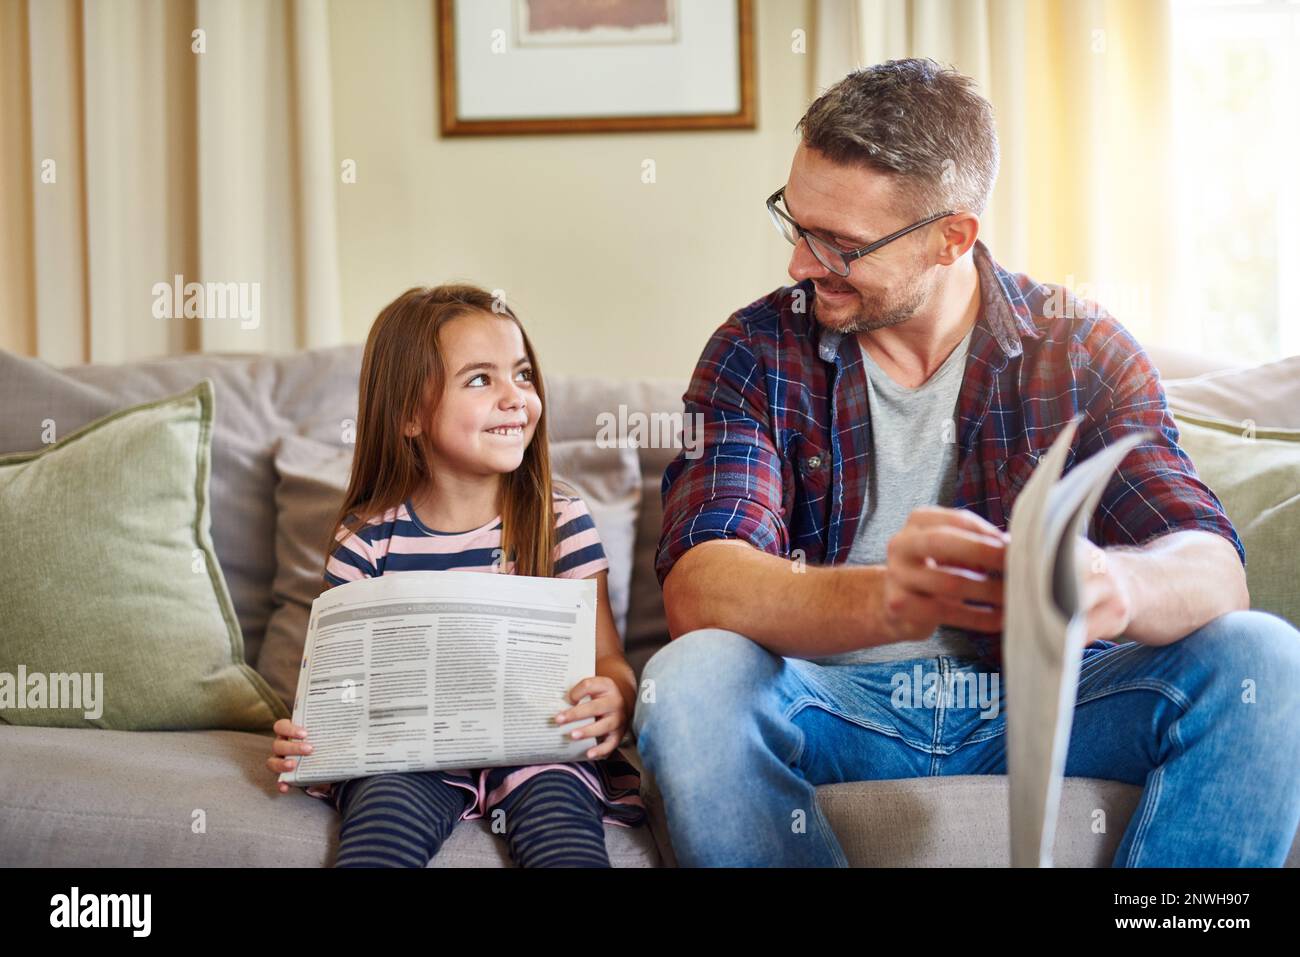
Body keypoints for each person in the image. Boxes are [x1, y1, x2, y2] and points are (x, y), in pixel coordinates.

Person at [634, 58, 1300, 867]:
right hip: (834, 705)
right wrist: (893, 597)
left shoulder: (1080, 348)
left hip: (1053, 701)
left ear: (953, 236)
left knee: (1268, 657)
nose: (800, 265)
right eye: (794, 222)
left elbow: (1211, 567)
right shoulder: (757, 349)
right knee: (693, 677)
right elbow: (704, 583)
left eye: (838, 244)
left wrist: (1115, 585)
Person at [266, 283, 645, 867]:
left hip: (538, 746)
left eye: (521, 374)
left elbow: (609, 662)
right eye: (479, 379)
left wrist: (616, 697)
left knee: (562, 831)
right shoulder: (367, 538)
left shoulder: (559, 518)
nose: (515, 396)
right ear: (410, 415)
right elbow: (336, 690)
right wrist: (306, 735)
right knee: (376, 840)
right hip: (407, 756)